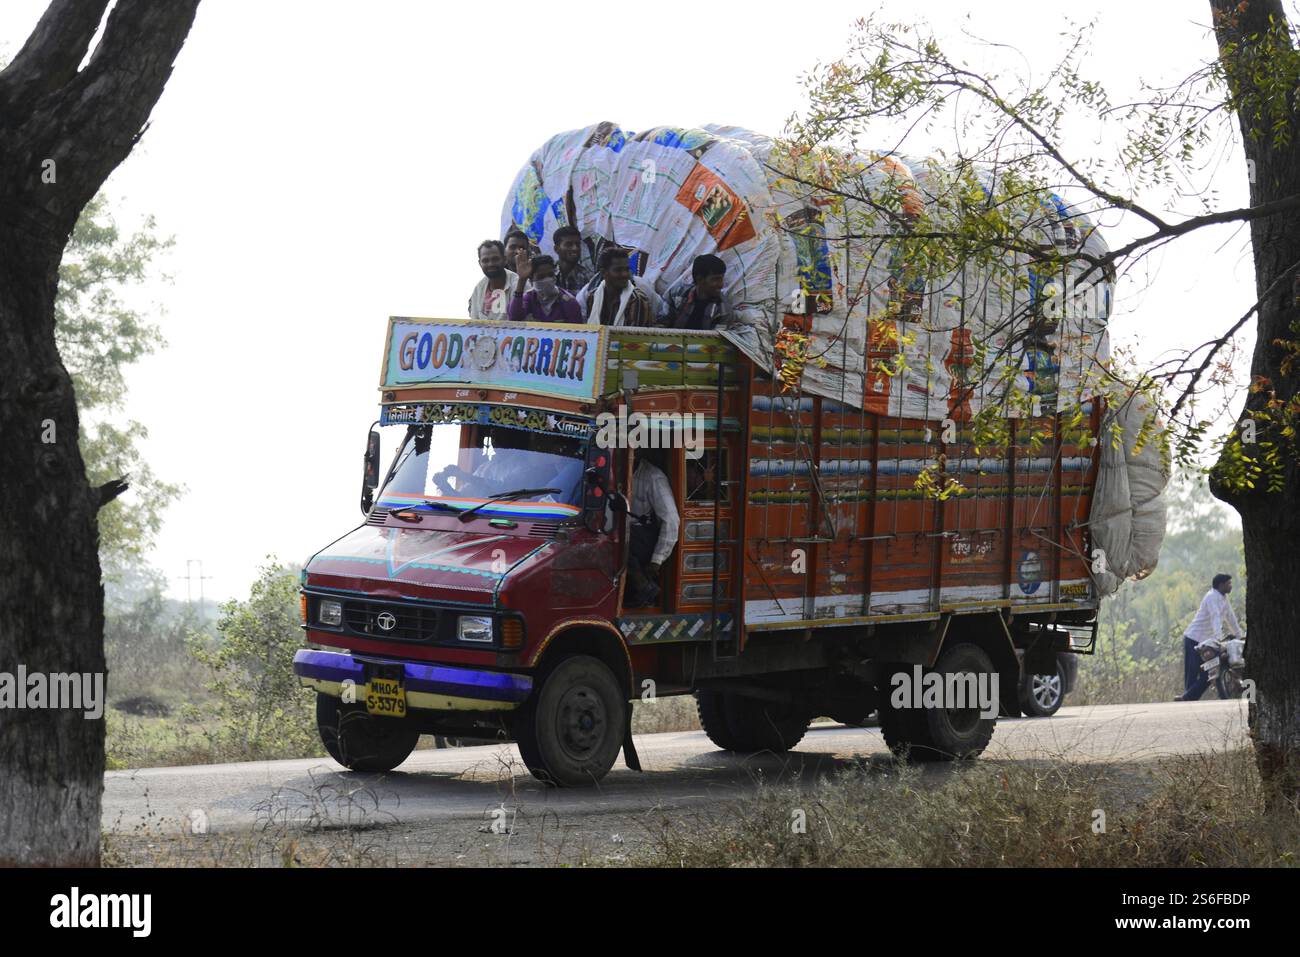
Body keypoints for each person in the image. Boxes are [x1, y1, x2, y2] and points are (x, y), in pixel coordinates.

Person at [624, 450, 680, 608]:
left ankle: (644, 587)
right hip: (631, 536)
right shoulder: (615, 472)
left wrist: (657, 560)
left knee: (619, 539)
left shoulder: (653, 477)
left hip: (646, 536)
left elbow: (671, 520)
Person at [1176, 573, 1243, 701]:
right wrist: (1219, 638)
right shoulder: (1212, 597)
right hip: (1194, 638)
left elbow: (1231, 618)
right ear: (1221, 585)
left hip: (1207, 642)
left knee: (1209, 673)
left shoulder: (1224, 599)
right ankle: (1188, 700)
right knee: (1192, 672)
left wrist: (1240, 635)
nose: (1231, 586)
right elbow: (1215, 617)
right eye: (1229, 583)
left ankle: (1187, 697)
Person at [583, 246, 654, 327]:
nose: (625, 274)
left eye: (627, 269)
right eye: (618, 270)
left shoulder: (637, 299)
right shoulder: (592, 297)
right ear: (604, 272)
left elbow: (635, 337)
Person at [658, 253, 731, 329]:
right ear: (699, 279)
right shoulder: (676, 294)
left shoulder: (723, 310)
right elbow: (661, 323)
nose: (721, 284)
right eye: (715, 279)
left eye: (722, 278)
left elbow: (716, 339)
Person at [507, 253, 583, 323]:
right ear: (531, 279)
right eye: (541, 277)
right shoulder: (528, 298)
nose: (547, 279)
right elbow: (514, 318)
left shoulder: (569, 302)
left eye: (550, 275)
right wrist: (522, 280)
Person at [469, 240, 517, 321]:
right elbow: (474, 323)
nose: (490, 264)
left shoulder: (518, 283)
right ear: (480, 263)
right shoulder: (478, 289)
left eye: (495, 259)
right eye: (485, 260)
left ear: (504, 259)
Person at [552, 225, 593, 295]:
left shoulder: (587, 276)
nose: (575, 248)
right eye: (569, 244)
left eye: (578, 244)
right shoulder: (548, 274)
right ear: (556, 249)